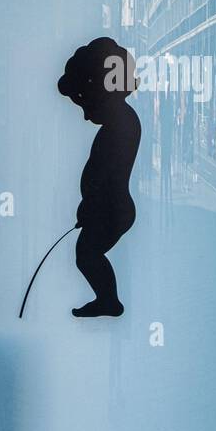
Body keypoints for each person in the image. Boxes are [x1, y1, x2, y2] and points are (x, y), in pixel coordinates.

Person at [58, 37, 141, 318]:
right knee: (87, 254)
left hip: (112, 209)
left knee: (88, 255)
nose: (85, 116)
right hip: (109, 208)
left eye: (86, 105)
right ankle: (107, 300)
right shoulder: (123, 121)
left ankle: (109, 301)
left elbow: (102, 175)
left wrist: (89, 205)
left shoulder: (121, 125)